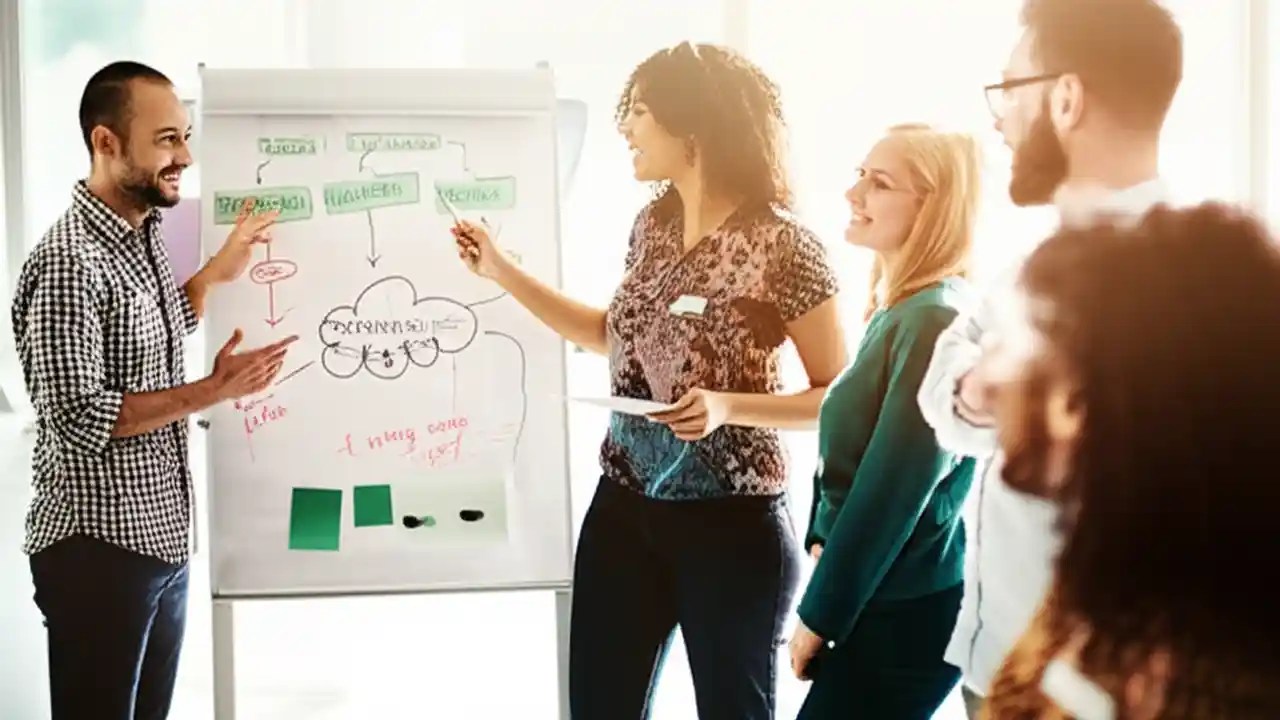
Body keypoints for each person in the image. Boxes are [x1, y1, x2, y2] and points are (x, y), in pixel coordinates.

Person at [451, 41, 847, 719]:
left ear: (692, 127)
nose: (625, 127)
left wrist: (728, 407)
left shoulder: (787, 247)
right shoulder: (651, 227)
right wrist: (500, 270)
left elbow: (836, 396)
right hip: (624, 513)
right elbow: (612, 334)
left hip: (732, 526)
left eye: (638, 111)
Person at [915, 1, 1184, 715]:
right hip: (996, 661)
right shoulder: (1029, 269)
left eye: (1010, 89)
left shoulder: (1190, 293)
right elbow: (945, 399)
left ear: (1066, 98)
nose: (998, 117)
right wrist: (982, 386)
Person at [11, 61, 298, 719]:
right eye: (168, 139)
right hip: (98, 553)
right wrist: (213, 390)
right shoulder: (66, 264)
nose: (186, 157)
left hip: (161, 543)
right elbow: (82, 416)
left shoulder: (139, 233)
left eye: (186, 136)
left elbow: (148, 332)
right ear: (106, 143)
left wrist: (213, 276)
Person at [974, 203, 1280, 718]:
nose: (983, 386)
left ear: (1075, 401)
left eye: (1010, 344)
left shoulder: (1187, 684)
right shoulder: (1105, 577)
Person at [786, 124, 982, 719]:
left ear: (933, 207)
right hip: (885, 601)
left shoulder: (929, 322)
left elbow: (891, 491)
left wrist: (819, 615)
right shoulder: (904, 310)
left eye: (879, 182)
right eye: (859, 174)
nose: (854, 194)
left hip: (904, 614)